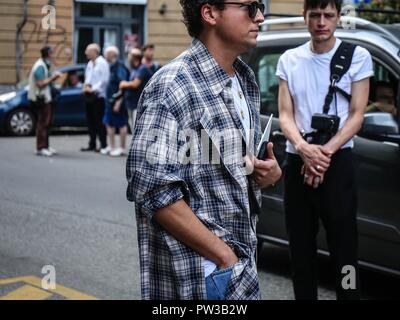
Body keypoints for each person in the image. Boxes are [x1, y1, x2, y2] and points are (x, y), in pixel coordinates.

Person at [126, 0, 282, 300]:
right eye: (250, 7)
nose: (260, 16)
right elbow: (151, 187)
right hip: (199, 276)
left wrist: (263, 173)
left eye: (260, 5)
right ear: (210, 13)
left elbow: (215, 166)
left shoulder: (245, 81)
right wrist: (224, 256)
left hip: (239, 268)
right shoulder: (172, 85)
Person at [276, 0, 374, 300]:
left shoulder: (357, 57)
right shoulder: (289, 60)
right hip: (297, 161)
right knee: (300, 250)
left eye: (328, 15)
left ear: (338, 17)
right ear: (304, 16)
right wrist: (304, 149)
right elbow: (285, 114)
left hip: (338, 161)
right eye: (315, 14)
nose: (321, 21)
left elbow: (357, 115)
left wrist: (323, 154)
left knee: (346, 252)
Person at [28, 46, 61, 157]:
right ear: (48, 54)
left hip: (46, 98)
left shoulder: (45, 64)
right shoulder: (40, 66)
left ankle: (45, 146)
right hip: (41, 98)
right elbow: (41, 84)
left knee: (47, 123)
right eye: (52, 53)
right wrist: (53, 78)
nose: (54, 55)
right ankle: (40, 147)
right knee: (42, 123)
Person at [81, 43, 110, 154]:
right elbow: (87, 78)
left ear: (95, 52)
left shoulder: (102, 63)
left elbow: (104, 81)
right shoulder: (89, 63)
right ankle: (92, 144)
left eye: (88, 51)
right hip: (89, 95)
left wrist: (92, 89)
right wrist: (86, 86)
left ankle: (103, 145)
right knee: (90, 121)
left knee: (99, 122)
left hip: (98, 96)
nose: (86, 53)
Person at [102, 46, 130, 157]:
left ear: (113, 54)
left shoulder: (119, 67)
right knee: (108, 123)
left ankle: (122, 148)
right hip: (109, 101)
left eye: (107, 53)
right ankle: (111, 146)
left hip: (117, 102)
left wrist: (119, 102)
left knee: (121, 124)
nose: (105, 55)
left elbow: (123, 85)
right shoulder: (111, 66)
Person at [119, 48, 152, 133]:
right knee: (133, 129)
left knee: (137, 130)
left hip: (139, 105)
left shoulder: (142, 69)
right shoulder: (135, 69)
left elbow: (135, 84)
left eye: (129, 56)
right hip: (131, 104)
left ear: (135, 58)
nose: (128, 59)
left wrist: (123, 84)